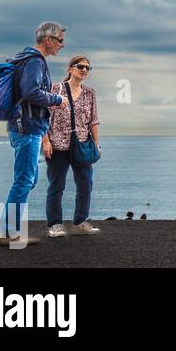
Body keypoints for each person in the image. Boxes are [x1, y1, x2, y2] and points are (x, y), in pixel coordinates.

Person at [0, 21, 68, 246]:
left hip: (24, 127)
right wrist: (58, 99)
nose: (62, 45)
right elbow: (31, 91)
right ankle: (8, 233)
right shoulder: (35, 61)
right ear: (48, 39)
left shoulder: (26, 59)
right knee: (24, 180)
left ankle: (8, 229)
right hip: (26, 128)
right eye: (59, 40)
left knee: (28, 179)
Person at [45, 55, 101, 237]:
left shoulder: (89, 93)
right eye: (80, 66)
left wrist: (96, 145)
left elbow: (93, 120)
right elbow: (43, 118)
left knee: (85, 184)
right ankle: (55, 225)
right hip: (58, 146)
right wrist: (45, 141)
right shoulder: (55, 90)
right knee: (56, 186)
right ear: (70, 69)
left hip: (82, 145)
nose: (84, 70)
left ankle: (80, 221)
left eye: (87, 68)